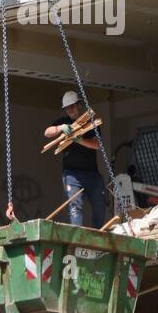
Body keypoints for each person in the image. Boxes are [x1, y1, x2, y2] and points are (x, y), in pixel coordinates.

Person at [44, 91, 107, 229]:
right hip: (72, 174)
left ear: (79, 105)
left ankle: (99, 234)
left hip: (91, 173)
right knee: (74, 207)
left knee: (100, 205)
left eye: (72, 107)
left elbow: (97, 145)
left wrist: (79, 140)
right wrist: (61, 128)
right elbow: (47, 132)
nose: (69, 110)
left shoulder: (89, 123)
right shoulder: (63, 122)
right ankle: (77, 235)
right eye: (67, 108)